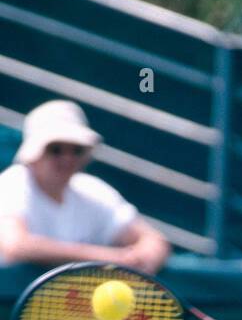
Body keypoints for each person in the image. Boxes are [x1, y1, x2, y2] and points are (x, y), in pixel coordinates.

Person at [0, 100, 169, 272]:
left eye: (77, 149)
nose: (67, 158)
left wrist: (143, 260)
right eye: (55, 149)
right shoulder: (12, 183)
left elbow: (153, 239)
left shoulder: (93, 190)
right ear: (33, 154)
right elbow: (15, 245)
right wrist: (112, 259)